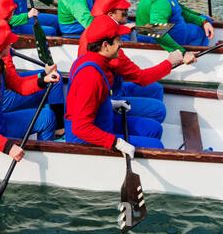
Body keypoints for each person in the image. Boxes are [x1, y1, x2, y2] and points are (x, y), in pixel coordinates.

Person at [65, 16, 165, 152]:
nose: (121, 44)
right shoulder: (91, 75)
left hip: (102, 123)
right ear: (105, 46)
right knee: (156, 146)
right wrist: (116, 142)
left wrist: (110, 104)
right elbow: (80, 128)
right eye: (118, 40)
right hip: (86, 139)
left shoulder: (90, 60)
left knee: (154, 128)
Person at [0, 20, 60, 153]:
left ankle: (47, 154)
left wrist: (44, 78)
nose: (11, 44)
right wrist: (8, 147)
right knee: (46, 118)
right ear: (1, 48)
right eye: (8, 42)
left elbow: (20, 86)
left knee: (47, 117)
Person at [136, 0, 214, 48]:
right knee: (200, 31)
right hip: (152, 38)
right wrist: (180, 51)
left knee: (205, 20)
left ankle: (193, 52)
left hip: (157, 31)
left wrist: (203, 21)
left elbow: (179, 10)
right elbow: (157, 32)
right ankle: (191, 56)